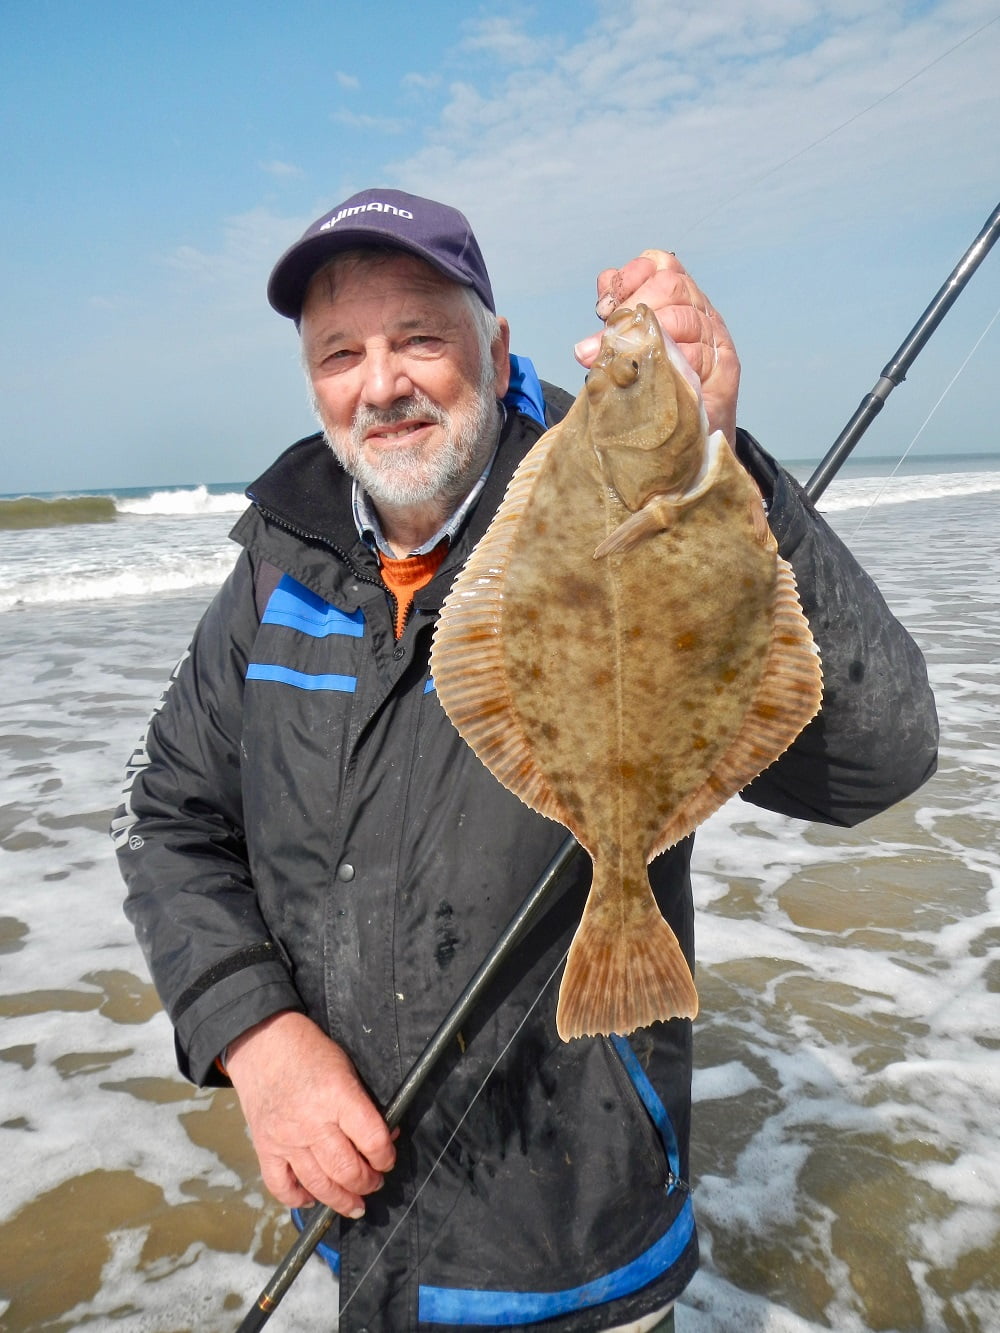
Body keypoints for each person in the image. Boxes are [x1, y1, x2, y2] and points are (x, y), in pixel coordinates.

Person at [113, 188, 938, 1332]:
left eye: (419, 337)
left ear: (498, 351)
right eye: (340, 353)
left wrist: (719, 466)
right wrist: (256, 1035)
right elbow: (166, 814)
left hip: (573, 1250)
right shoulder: (278, 568)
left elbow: (876, 759)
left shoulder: (631, 505)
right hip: (352, 1222)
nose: (379, 383)